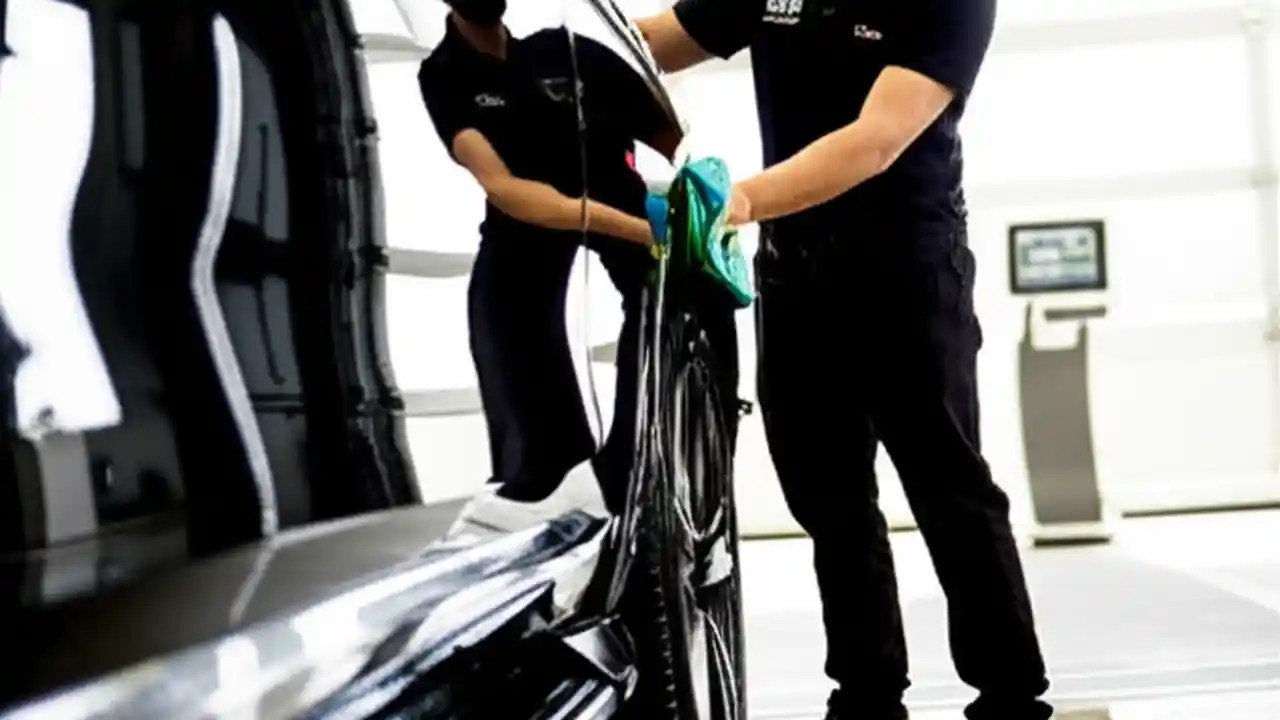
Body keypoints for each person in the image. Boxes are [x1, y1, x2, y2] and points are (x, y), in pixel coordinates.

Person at [635, 2, 1053, 719]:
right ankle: (866, 693)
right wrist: (534, 52)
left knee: (948, 486)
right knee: (828, 498)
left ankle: (1009, 692)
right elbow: (651, 47)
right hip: (794, 273)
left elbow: (876, 140)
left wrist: (739, 201)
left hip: (907, 270)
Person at [419, 0, 682, 530]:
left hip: (622, 205)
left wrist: (685, 214)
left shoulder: (570, 53)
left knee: (671, 297)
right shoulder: (445, 74)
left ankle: (632, 472)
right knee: (507, 328)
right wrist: (635, 230)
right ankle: (545, 488)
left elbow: (676, 141)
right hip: (529, 230)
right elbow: (505, 189)